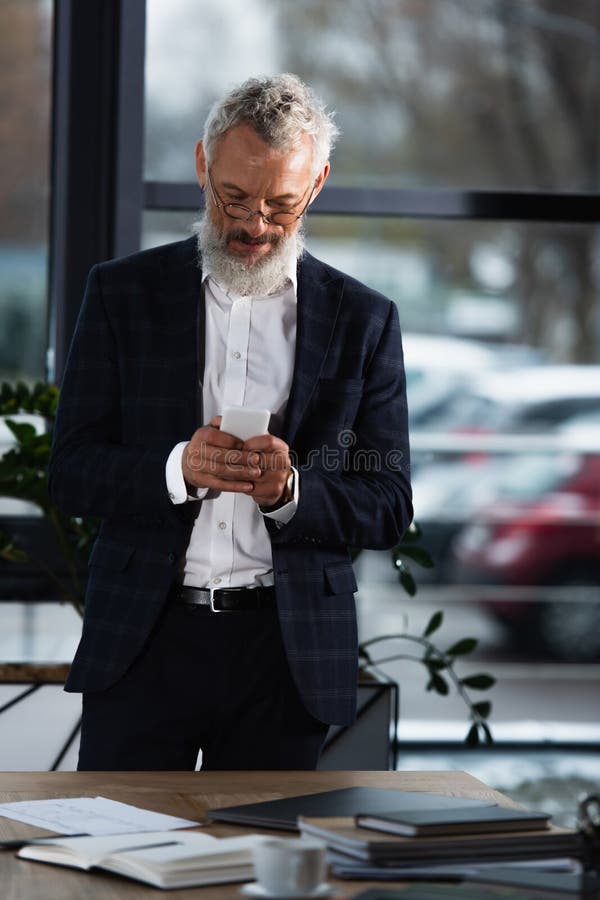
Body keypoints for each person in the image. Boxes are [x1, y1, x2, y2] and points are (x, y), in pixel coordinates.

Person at [48, 73, 413, 771]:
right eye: (234, 198)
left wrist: (291, 492)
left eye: (282, 205)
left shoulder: (366, 320)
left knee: (263, 872)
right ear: (201, 165)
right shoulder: (121, 294)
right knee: (120, 861)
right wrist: (174, 469)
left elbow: (389, 504)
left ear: (318, 184)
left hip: (288, 655)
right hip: (143, 643)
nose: (253, 227)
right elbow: (70, 473)